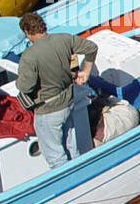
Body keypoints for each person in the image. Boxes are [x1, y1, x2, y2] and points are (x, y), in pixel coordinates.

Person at [15, 12, 98, 169]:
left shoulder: (29, 56)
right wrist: (85, 72)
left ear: (27, 32)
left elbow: (26, 86)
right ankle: (81, 176)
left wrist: (19, 82)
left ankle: (72, 187)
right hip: (67, 102)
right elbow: (91, 48)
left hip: (48, 110)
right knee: (72, 148)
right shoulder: (64, 39)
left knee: (56, 157)